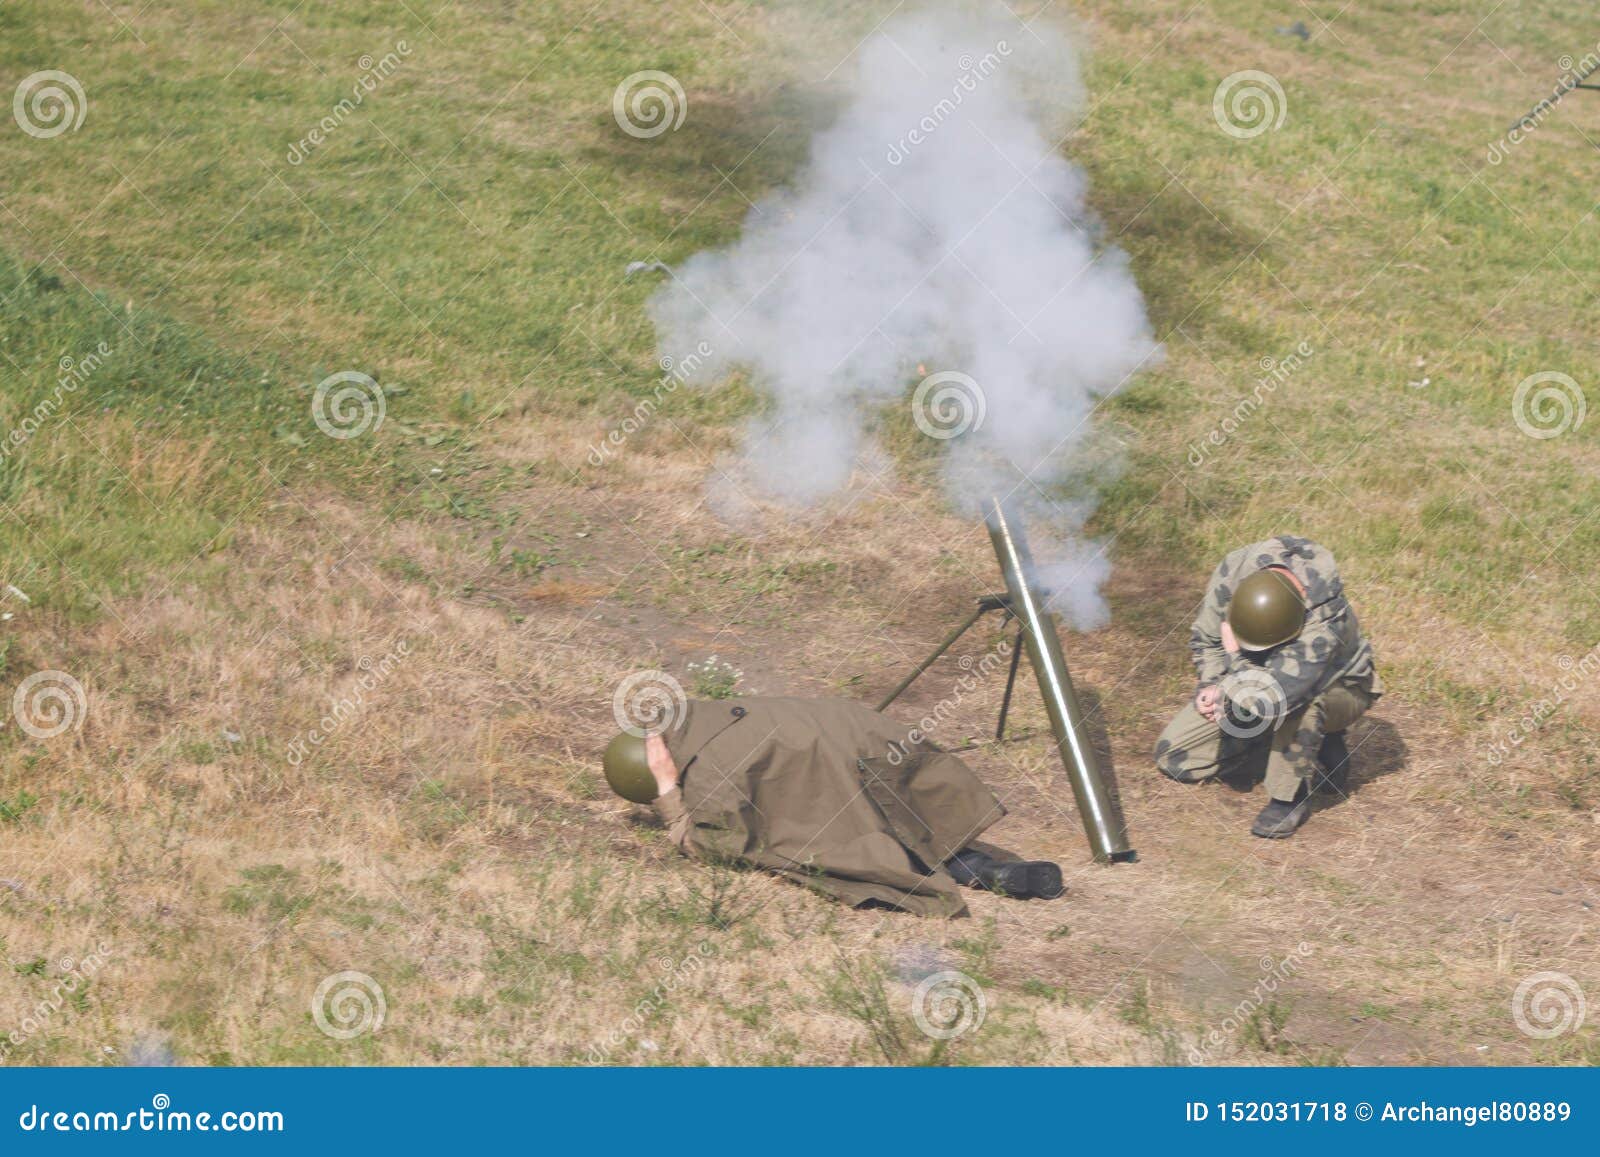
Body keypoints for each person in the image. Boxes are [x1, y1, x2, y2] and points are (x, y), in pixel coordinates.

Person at [601, 695, 1064, 917]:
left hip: (840, 774)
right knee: (911, 814)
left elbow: (707, 844)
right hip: (873, 735)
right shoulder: (705, 713)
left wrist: (668, 794)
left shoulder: (704, 785)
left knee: (854, 839)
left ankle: (974, 869)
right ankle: (983, 864)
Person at [1152, 535, 1382, 838]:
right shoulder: (1235, 572)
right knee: (1176, 757)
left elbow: (1276, 697)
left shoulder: (1324, 619)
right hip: (1254, 680)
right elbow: (1207, 639)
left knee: (1306, 705)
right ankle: (1303, 747)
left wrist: (1235, 658)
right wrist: (1211, 685)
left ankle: (1290, 797)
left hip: (1337, 690)